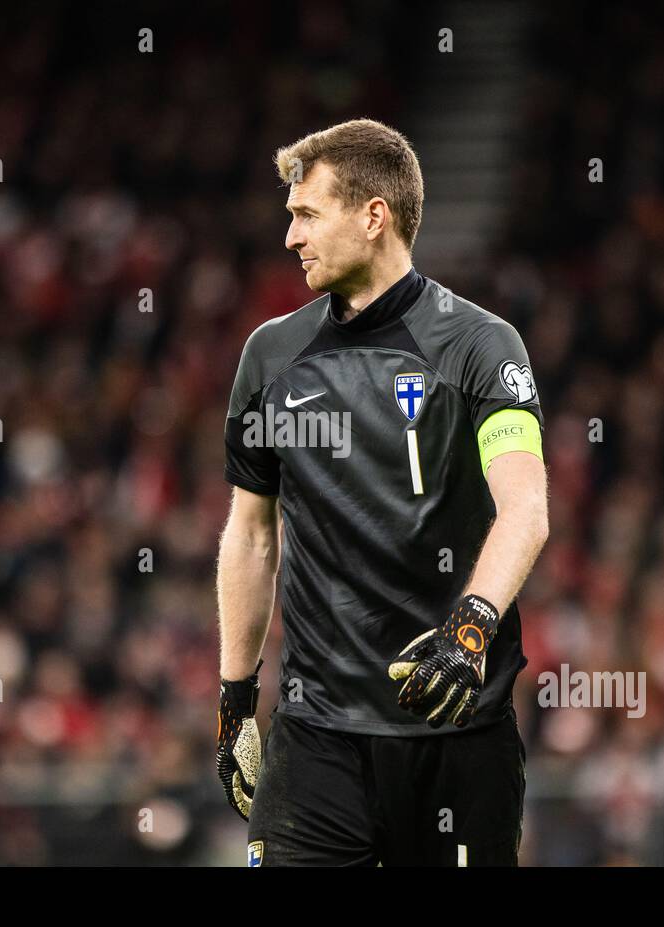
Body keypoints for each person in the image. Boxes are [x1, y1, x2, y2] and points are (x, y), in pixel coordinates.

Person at [215, 119, 548, 866]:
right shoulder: (270, 357)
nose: (291, 237)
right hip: (315, 740)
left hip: (456, 730)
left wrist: (471, 628)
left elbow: (525, 508)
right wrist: (236, 699)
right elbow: (251, 533)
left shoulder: (480, 347)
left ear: (374, 216)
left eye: (307, 214)